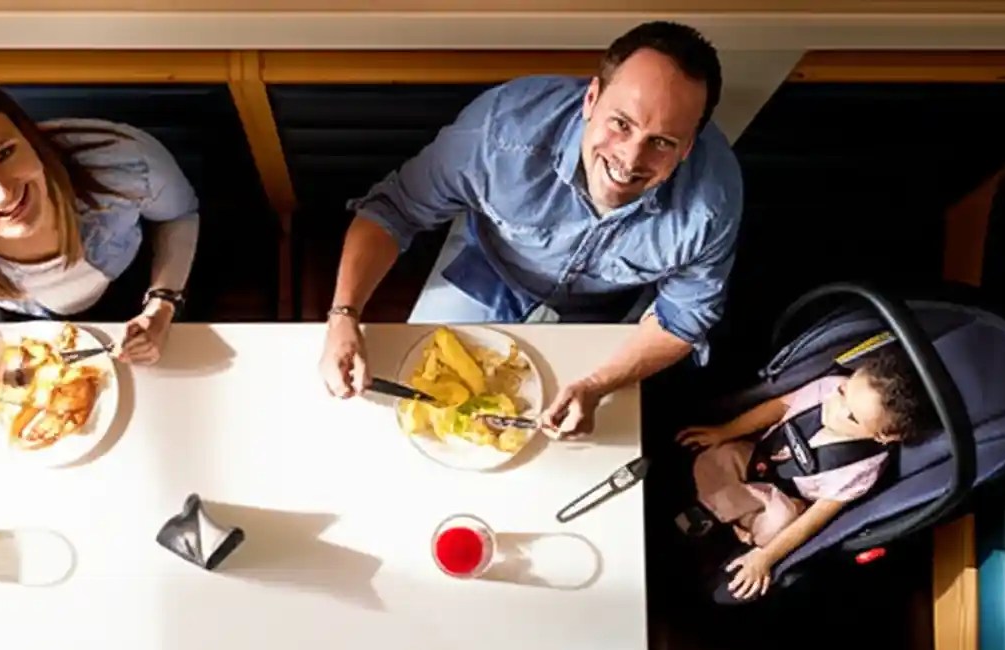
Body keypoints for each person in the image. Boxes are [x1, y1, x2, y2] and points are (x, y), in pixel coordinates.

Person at [318, 21, 743, 439]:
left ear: (687, 148)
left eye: (662, 142)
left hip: (604, 313)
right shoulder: (500, 132)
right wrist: (343, 315)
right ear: (591, 99)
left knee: (573, 450)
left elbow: (683, 318)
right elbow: (394, 210)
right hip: (487, 271)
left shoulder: (712, 205)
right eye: (621, 123)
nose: (630, 160)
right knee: (404, 424)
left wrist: (598, 385)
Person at [0, 59, 200, 401]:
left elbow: (179, 214)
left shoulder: (126, 163)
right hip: (21, 315)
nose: (4, 194)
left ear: (24, 130)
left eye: (4, 153)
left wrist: (163, 302)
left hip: (134, 284)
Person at [674, 348, 937, 600]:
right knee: (718, 457)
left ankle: (727, 522)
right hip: (756, 455)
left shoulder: (861, 468)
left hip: (786, 499)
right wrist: (724, 431)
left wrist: (765, 557)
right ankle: (729, 516)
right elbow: (777, 408)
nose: (834, 405)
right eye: (844, 391)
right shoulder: (829, 388)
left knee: (780, 521)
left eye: (851, 417)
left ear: (883, 436)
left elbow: (811, 521)